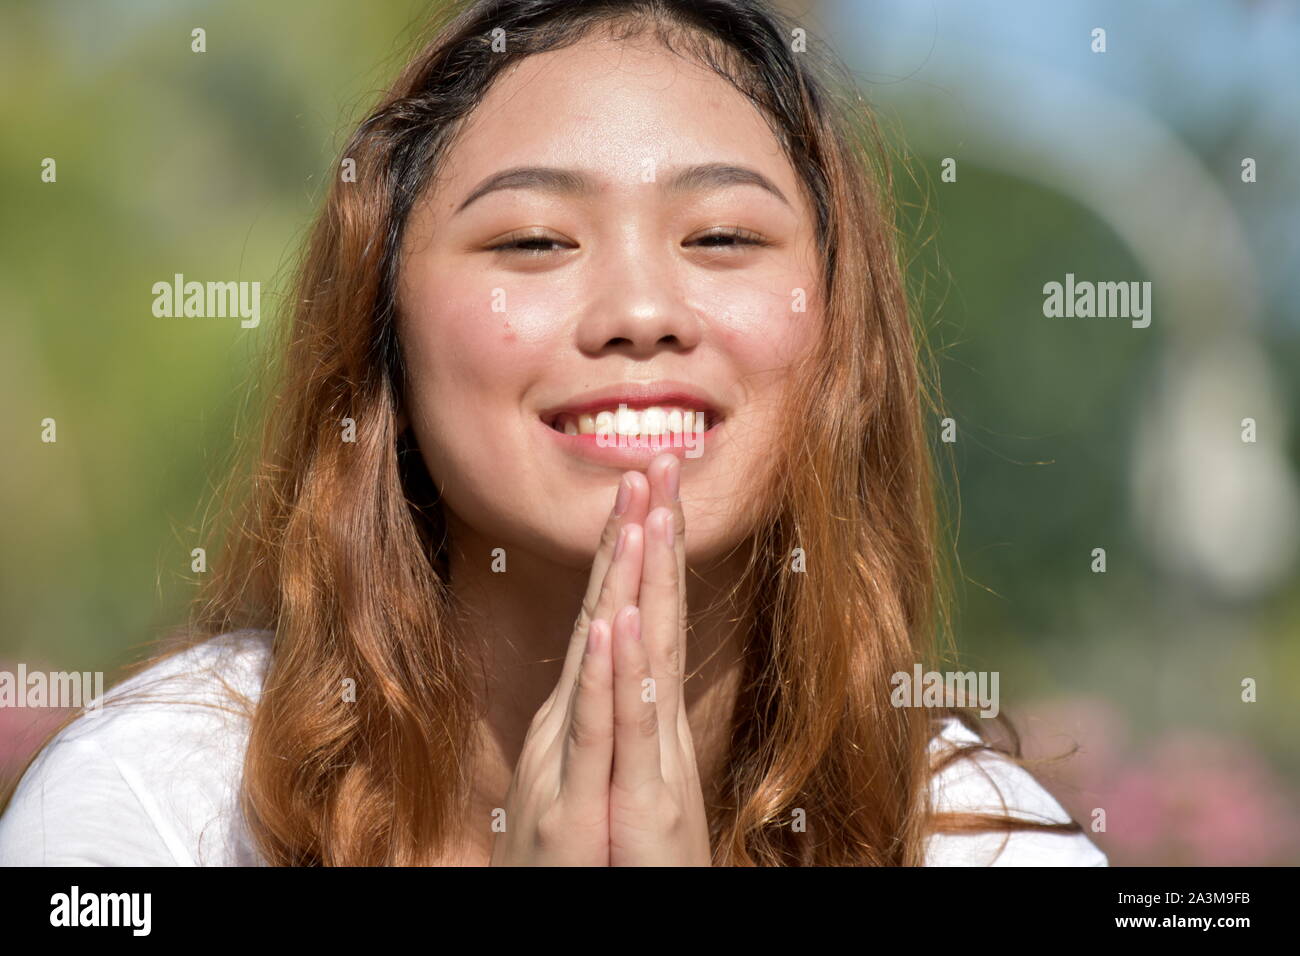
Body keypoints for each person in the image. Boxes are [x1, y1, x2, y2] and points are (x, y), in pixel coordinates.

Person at [0, 0, 1106, 866]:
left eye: (721, 235)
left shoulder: (977, 834)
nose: (637, 311)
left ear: (839, 337)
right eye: (531, 241)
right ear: (381, 333)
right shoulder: (156, 807)